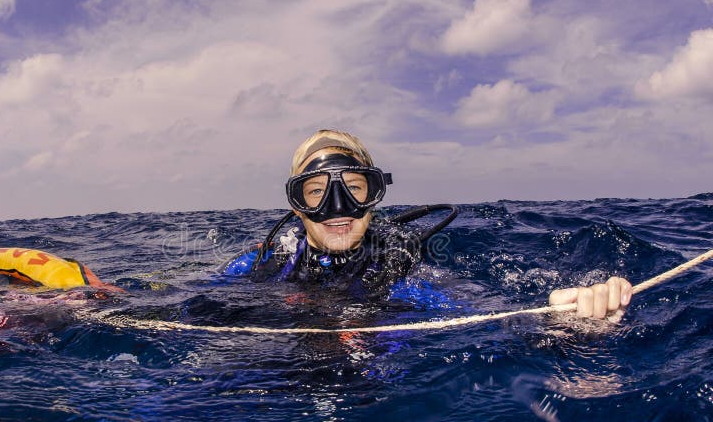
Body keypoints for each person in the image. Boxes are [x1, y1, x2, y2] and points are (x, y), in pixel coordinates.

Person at [225, 129, 632, 319]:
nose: (338, 208)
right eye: (315, 192)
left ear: (373, 197)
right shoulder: (268, 262)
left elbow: (487, 314)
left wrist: (560, 320)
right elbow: (192, 303)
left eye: (353, 188)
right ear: (296, 206)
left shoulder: (398, 267)